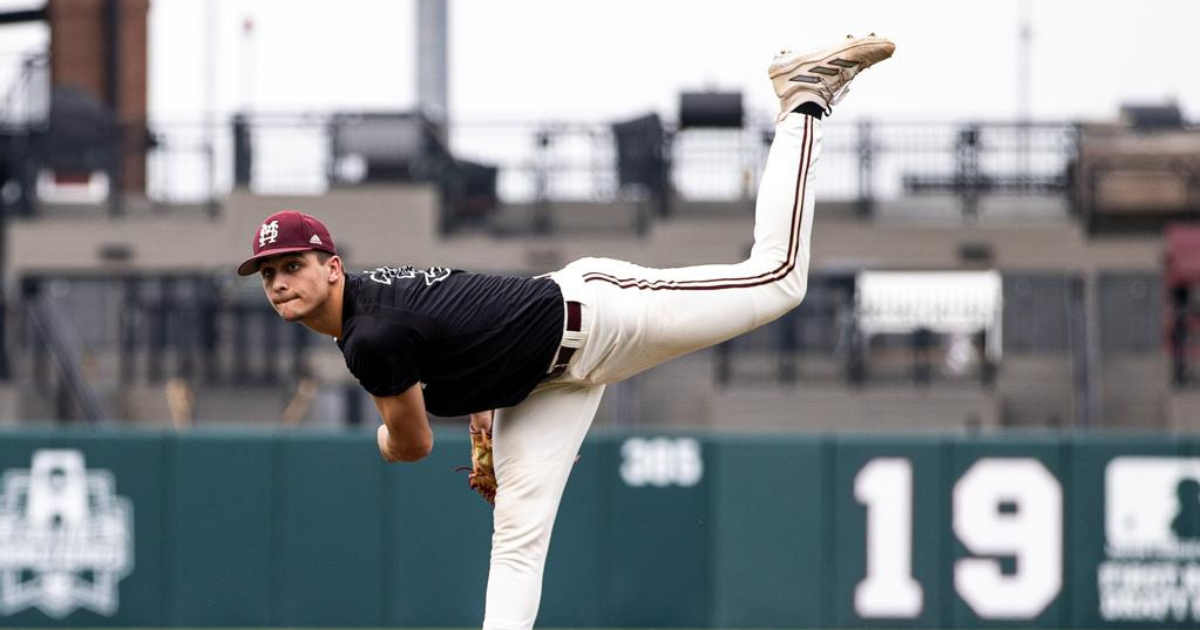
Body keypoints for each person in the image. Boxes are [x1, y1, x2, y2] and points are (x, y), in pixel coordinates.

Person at [237, 33, 894, 630]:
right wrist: (483, 399)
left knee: (778, 279)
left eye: (292, 266)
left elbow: (408, 445)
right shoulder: (380, 300)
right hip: (543, 380)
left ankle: (804, 98)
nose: (279, 282)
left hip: (598, 316)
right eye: (267, 275)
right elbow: (467, 323)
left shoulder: (368, 337)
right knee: (517, 538)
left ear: (332, 267)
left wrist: (384, 438)